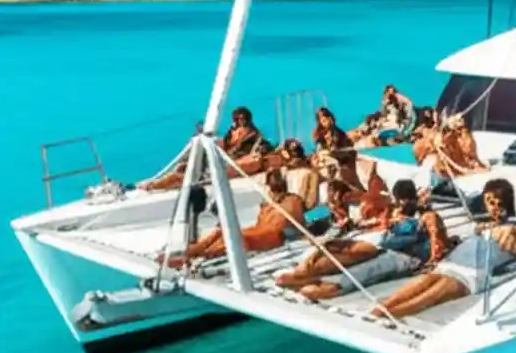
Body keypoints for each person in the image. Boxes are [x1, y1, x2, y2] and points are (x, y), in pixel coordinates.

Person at [372, 178, 516, 318]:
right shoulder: (486, 223)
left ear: (506, 204)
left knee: (432, 295)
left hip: (472, 274)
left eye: (498, 203)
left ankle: (391, 314)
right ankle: (383, 307)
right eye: (490, 202)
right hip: (456, 262)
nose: (493, 207)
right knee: (426, 280)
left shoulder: (515, 228)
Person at [276, 179, 453, 301]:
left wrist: (431, 261)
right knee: (352, 257)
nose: (398, 204)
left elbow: (438, 241)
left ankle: (333, 286)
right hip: (388, 247)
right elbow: (387, 226)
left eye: (400, 201)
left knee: (368, 270)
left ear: (406, 198)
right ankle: (312, 276)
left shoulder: (426, 216)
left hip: (404, 256)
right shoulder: (399, 214)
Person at [159, 169, 305, 268]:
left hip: (275, 236)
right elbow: (259, 224)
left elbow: (296, 227)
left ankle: (199, 255)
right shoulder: (267, 205)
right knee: (221, 232)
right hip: (260, 231)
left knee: (237, 238)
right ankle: (193, 251)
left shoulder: (293, 201)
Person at [138, 107, 274, 191]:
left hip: (228, 165)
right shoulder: (233, 133)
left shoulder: (254, 137)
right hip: (221, 159)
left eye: (241, 120)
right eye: (236, 120)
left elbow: (259, 151)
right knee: (183, 167)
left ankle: (155, 186)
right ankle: (157, 183)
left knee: (185, 176)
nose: (238, 124)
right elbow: (225, 145)